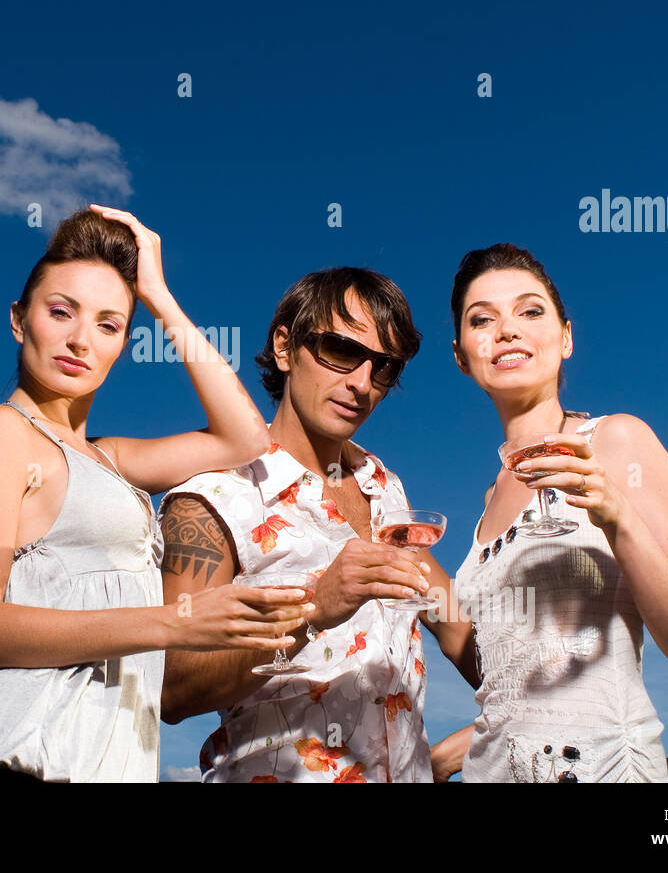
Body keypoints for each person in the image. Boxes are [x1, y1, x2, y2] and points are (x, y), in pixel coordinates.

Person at [0, 205, 311, 783]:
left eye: (108, 325)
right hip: (10, 762)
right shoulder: (3, 432)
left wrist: (160, 297)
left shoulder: (111, 460)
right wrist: (175, 624)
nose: (79, 340)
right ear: (19, 319)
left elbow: (245, 438)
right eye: (60, 312)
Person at [159, 268, 479, 782]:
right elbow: (171, 688)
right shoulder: (213, 496)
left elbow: (458, 629)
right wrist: (313, 609)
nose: (361, 383)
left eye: (383, 368)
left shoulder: (384, 486)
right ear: (284, 347)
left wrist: (560, 713)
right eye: (341, 350)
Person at [428, 243, 668, 783]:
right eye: (482, 319)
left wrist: (619, 519)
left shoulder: (617, 441)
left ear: (565, 338)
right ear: (462, 356)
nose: (507, 330)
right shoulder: (490, 500)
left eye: (530, 311)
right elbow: (518, 685)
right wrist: (448, 754)